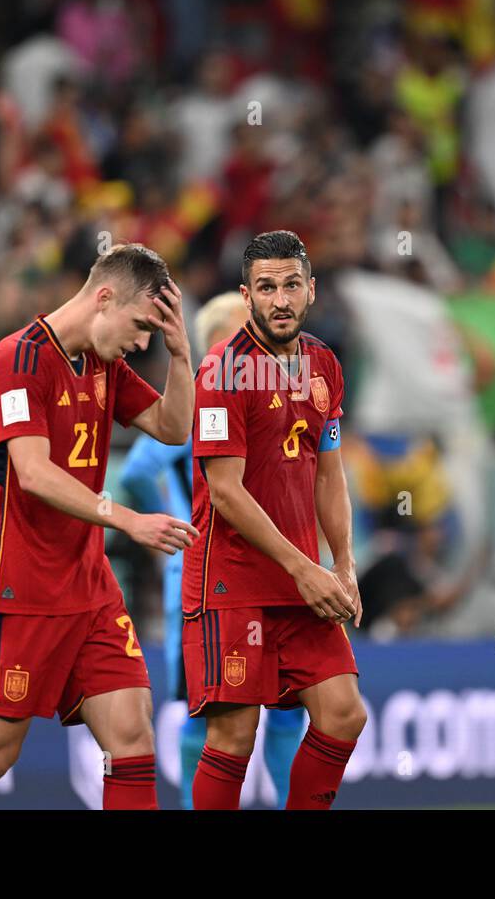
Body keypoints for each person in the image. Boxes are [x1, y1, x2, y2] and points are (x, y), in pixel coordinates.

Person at [0, 243, 200, 810]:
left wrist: (180, 353)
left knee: (132, 735)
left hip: (89, 589)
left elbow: (174, 427)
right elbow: (34, 473)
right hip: (23, 590)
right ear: (104, 298)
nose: (142, 343)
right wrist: (128, 521)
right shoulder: (16, 360)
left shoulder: (106, 365)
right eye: (141, 326)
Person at [183, 230, 365, 810]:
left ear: (311, 290)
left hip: (303, 582)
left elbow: (328, 475)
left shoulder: (323, 366)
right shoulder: (223, 371)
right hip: (231, 583)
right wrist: (304, 568)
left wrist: (343, 563)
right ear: (247, 295)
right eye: (266, 288)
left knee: (343, 713)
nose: (280, 299)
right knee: (234, 736)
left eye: (291, 285)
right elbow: (226, 490)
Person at [119, 290, 306, 808]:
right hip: (210, 578)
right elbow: (135, 475)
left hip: (274, 572)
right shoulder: (202, 397)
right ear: (220, 340)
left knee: (287, 707)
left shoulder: (274, 393)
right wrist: (177, 526)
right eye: (250, 323)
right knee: (213, 709)